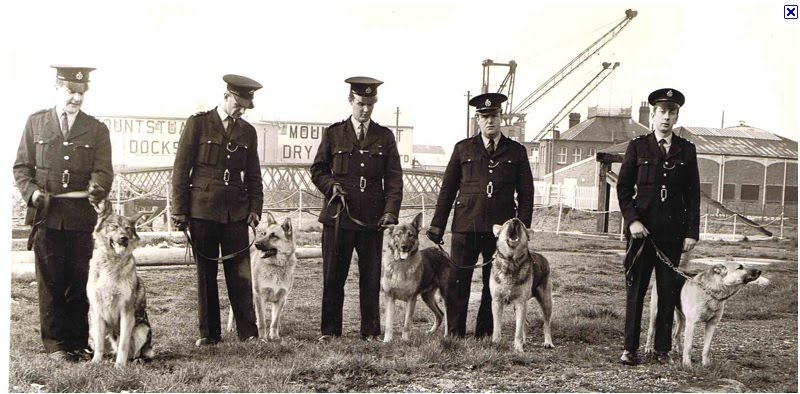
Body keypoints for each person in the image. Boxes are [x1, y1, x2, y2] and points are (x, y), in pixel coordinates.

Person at [13, 65, 113, 361]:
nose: (77, 99)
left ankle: (77, 341)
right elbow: (21, 167)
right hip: (47, 215)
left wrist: (98, 186)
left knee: (80, 280)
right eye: (71, 91)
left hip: (82, 216)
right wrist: (31, 193)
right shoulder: (36, 123)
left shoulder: (97, 129)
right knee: (51, 281)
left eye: (81, 93)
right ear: (57, 89)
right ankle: (56, 344)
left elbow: (104, 171)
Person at [426, 93, 534, 338]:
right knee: (457, 281)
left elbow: (526, 191)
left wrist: (523, 227)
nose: (490, 121)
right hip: (466, 224)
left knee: (493, 283)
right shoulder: (463, 148)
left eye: (494, 116)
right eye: (484, 117)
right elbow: (447, 189)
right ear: (477, 119)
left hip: (501, 231)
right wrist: (437, 226)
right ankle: (454, 333)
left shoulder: (516, 151)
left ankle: (485, 333)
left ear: (501, 118)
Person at [171, 74, 264, 346]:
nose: (242, 109)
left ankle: (248, 333)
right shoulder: (198, 124)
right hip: (202, 209)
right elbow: (181, 168)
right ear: (226, 96)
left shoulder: (248, 131)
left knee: (240, 273)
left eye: (246, 105)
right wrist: (179, 210)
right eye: (238, 103)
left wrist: (255, 208)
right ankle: (210, 334)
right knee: (206, 273)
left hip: (236, 210)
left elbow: (254, 175)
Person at [311, 76, 403, 341]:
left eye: (370, 104)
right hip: (338, 216)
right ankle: (329, 332)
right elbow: (318, 169)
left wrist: (390, 212)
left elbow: (394, 178)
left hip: (372, 219)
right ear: (351, 101)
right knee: (333, 277)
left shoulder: (384, 137)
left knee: (371, 278)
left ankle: (370, 332)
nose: (365, 109)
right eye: (361, 103)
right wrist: (331, 186)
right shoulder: (334, 133)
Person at [617, 88, 700, 365]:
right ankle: (630, 349)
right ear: (652, 115)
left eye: (672, 112)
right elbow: (624, 188)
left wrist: (691, 233)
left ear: (677, 115)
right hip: (642, 234)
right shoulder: (638, 147)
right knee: (636, 290)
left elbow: (693, 194)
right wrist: (633, 221)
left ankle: (661, 350)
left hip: (672, 234)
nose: (666, 117)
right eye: (662, 112)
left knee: (667, 291)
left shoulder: (686, 150)